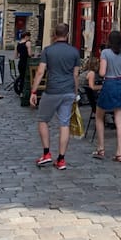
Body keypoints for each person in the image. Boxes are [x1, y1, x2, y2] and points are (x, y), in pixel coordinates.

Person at [30, 23, 80, 170]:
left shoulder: (48, 51)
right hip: (68, 91)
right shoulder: (74, 52)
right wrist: (75, 92)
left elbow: (40, 72)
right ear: (67, 34)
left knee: (43, 120)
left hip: (52, 90)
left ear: (54, 34)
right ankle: (61, 159)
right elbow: (75, 74)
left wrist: (33, 91)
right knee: (64, 124)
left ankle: (46, 153)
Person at [94, 30, 121, 163]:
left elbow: (102, 73)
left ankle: (101, 148)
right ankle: (119, 153)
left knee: (99, 116)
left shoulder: (105, 53)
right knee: (119, 121)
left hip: (109, 84)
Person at [15, 30, 32, 95]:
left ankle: (21, 91)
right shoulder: (28, 43)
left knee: (22, 77)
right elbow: (29, 54)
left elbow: (16, 56)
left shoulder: (18, 43)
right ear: (26, 37)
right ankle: (26, 90)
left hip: (20, 62)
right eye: (29, 37)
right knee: (26, 77)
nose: (29, 38)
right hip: (26, 62)